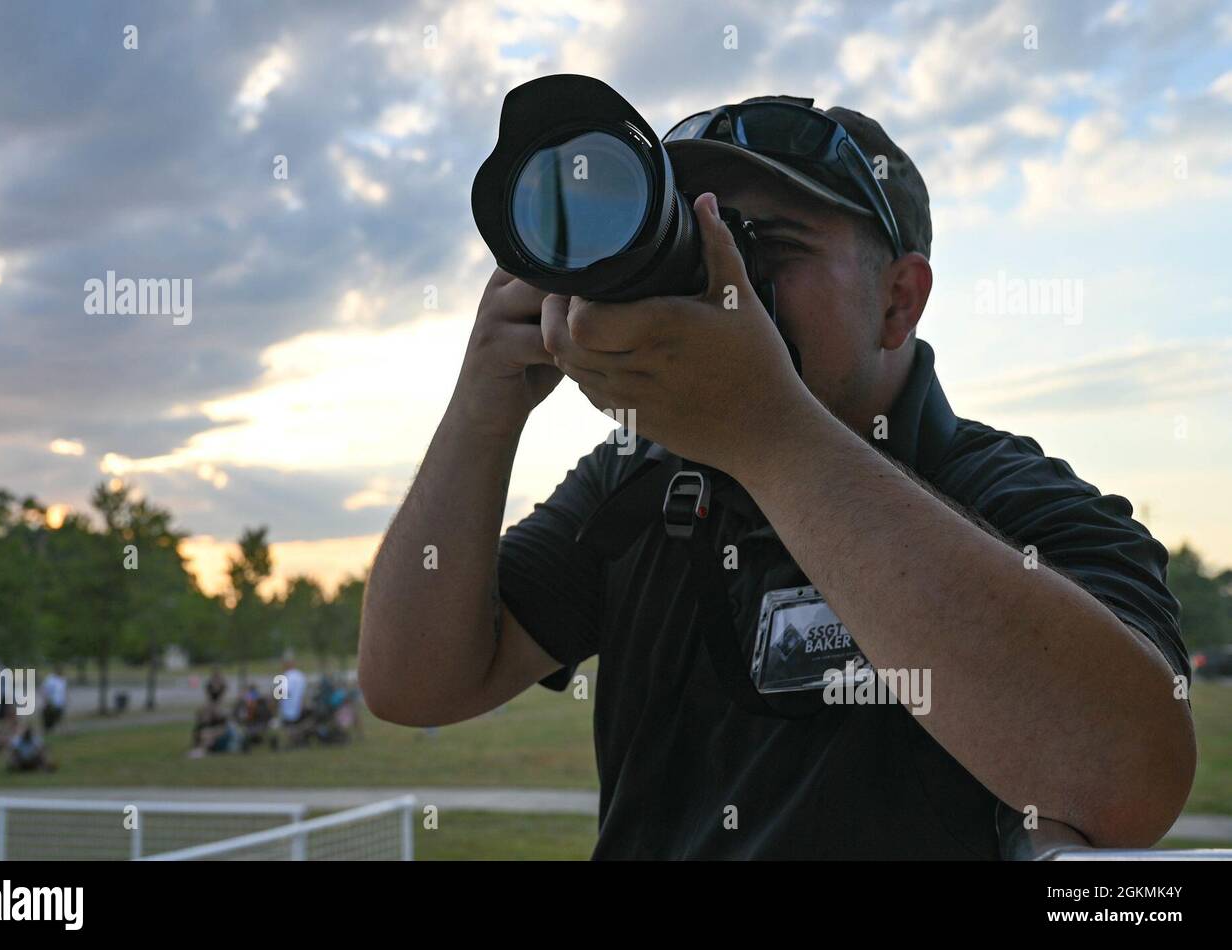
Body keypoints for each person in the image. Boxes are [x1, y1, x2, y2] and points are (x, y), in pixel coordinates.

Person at [359, 94, 1196, 859]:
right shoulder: (641, 487)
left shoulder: (1011, 498)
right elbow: (415, 683)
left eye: (768, 245)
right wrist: (483, 409)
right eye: (698, 240)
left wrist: (769, 437)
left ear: (900, 300)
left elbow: (1128, 783)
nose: (726, 284)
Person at [41, 666, 68, 733]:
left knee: (60, 716)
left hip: (60, 702)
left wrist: (66, 698)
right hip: (52, 702)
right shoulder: (50, 679)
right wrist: (46, 700)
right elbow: (44, 689)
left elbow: (64, 690)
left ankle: (62, 730)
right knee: (51, 717)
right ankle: (49, 730)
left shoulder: (62, 679)